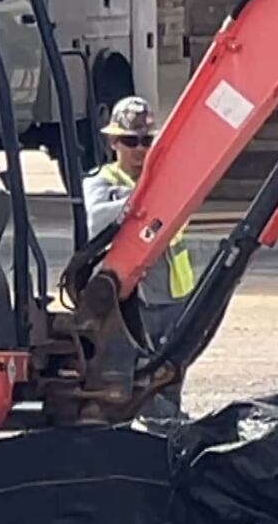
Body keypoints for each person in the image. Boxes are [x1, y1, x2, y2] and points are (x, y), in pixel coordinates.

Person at [82, 96, 196, 414]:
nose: (140, 149)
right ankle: (159, 432)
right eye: (131, 141)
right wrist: (139, 200)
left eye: (147, 141)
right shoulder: (102, 181)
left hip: (175, 295)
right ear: (114, 142)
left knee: (172, 374)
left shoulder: (167, 178)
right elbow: (96, 219)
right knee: (142, 378)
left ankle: (170, 427)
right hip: (136, 299)